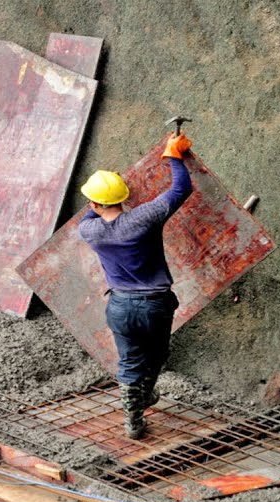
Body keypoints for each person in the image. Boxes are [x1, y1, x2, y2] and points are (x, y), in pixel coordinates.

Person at [78, 131, 193, 439]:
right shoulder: (144, 217)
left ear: (93, 203)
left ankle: (133, 421)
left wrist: (102, 199)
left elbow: (92, 211)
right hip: (156, 305)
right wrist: (174, 156)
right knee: (156, 356)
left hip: (120, 307)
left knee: (129, 361)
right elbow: (181, 189)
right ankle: (144, 395)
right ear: (124, 197)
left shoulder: (89, 231)